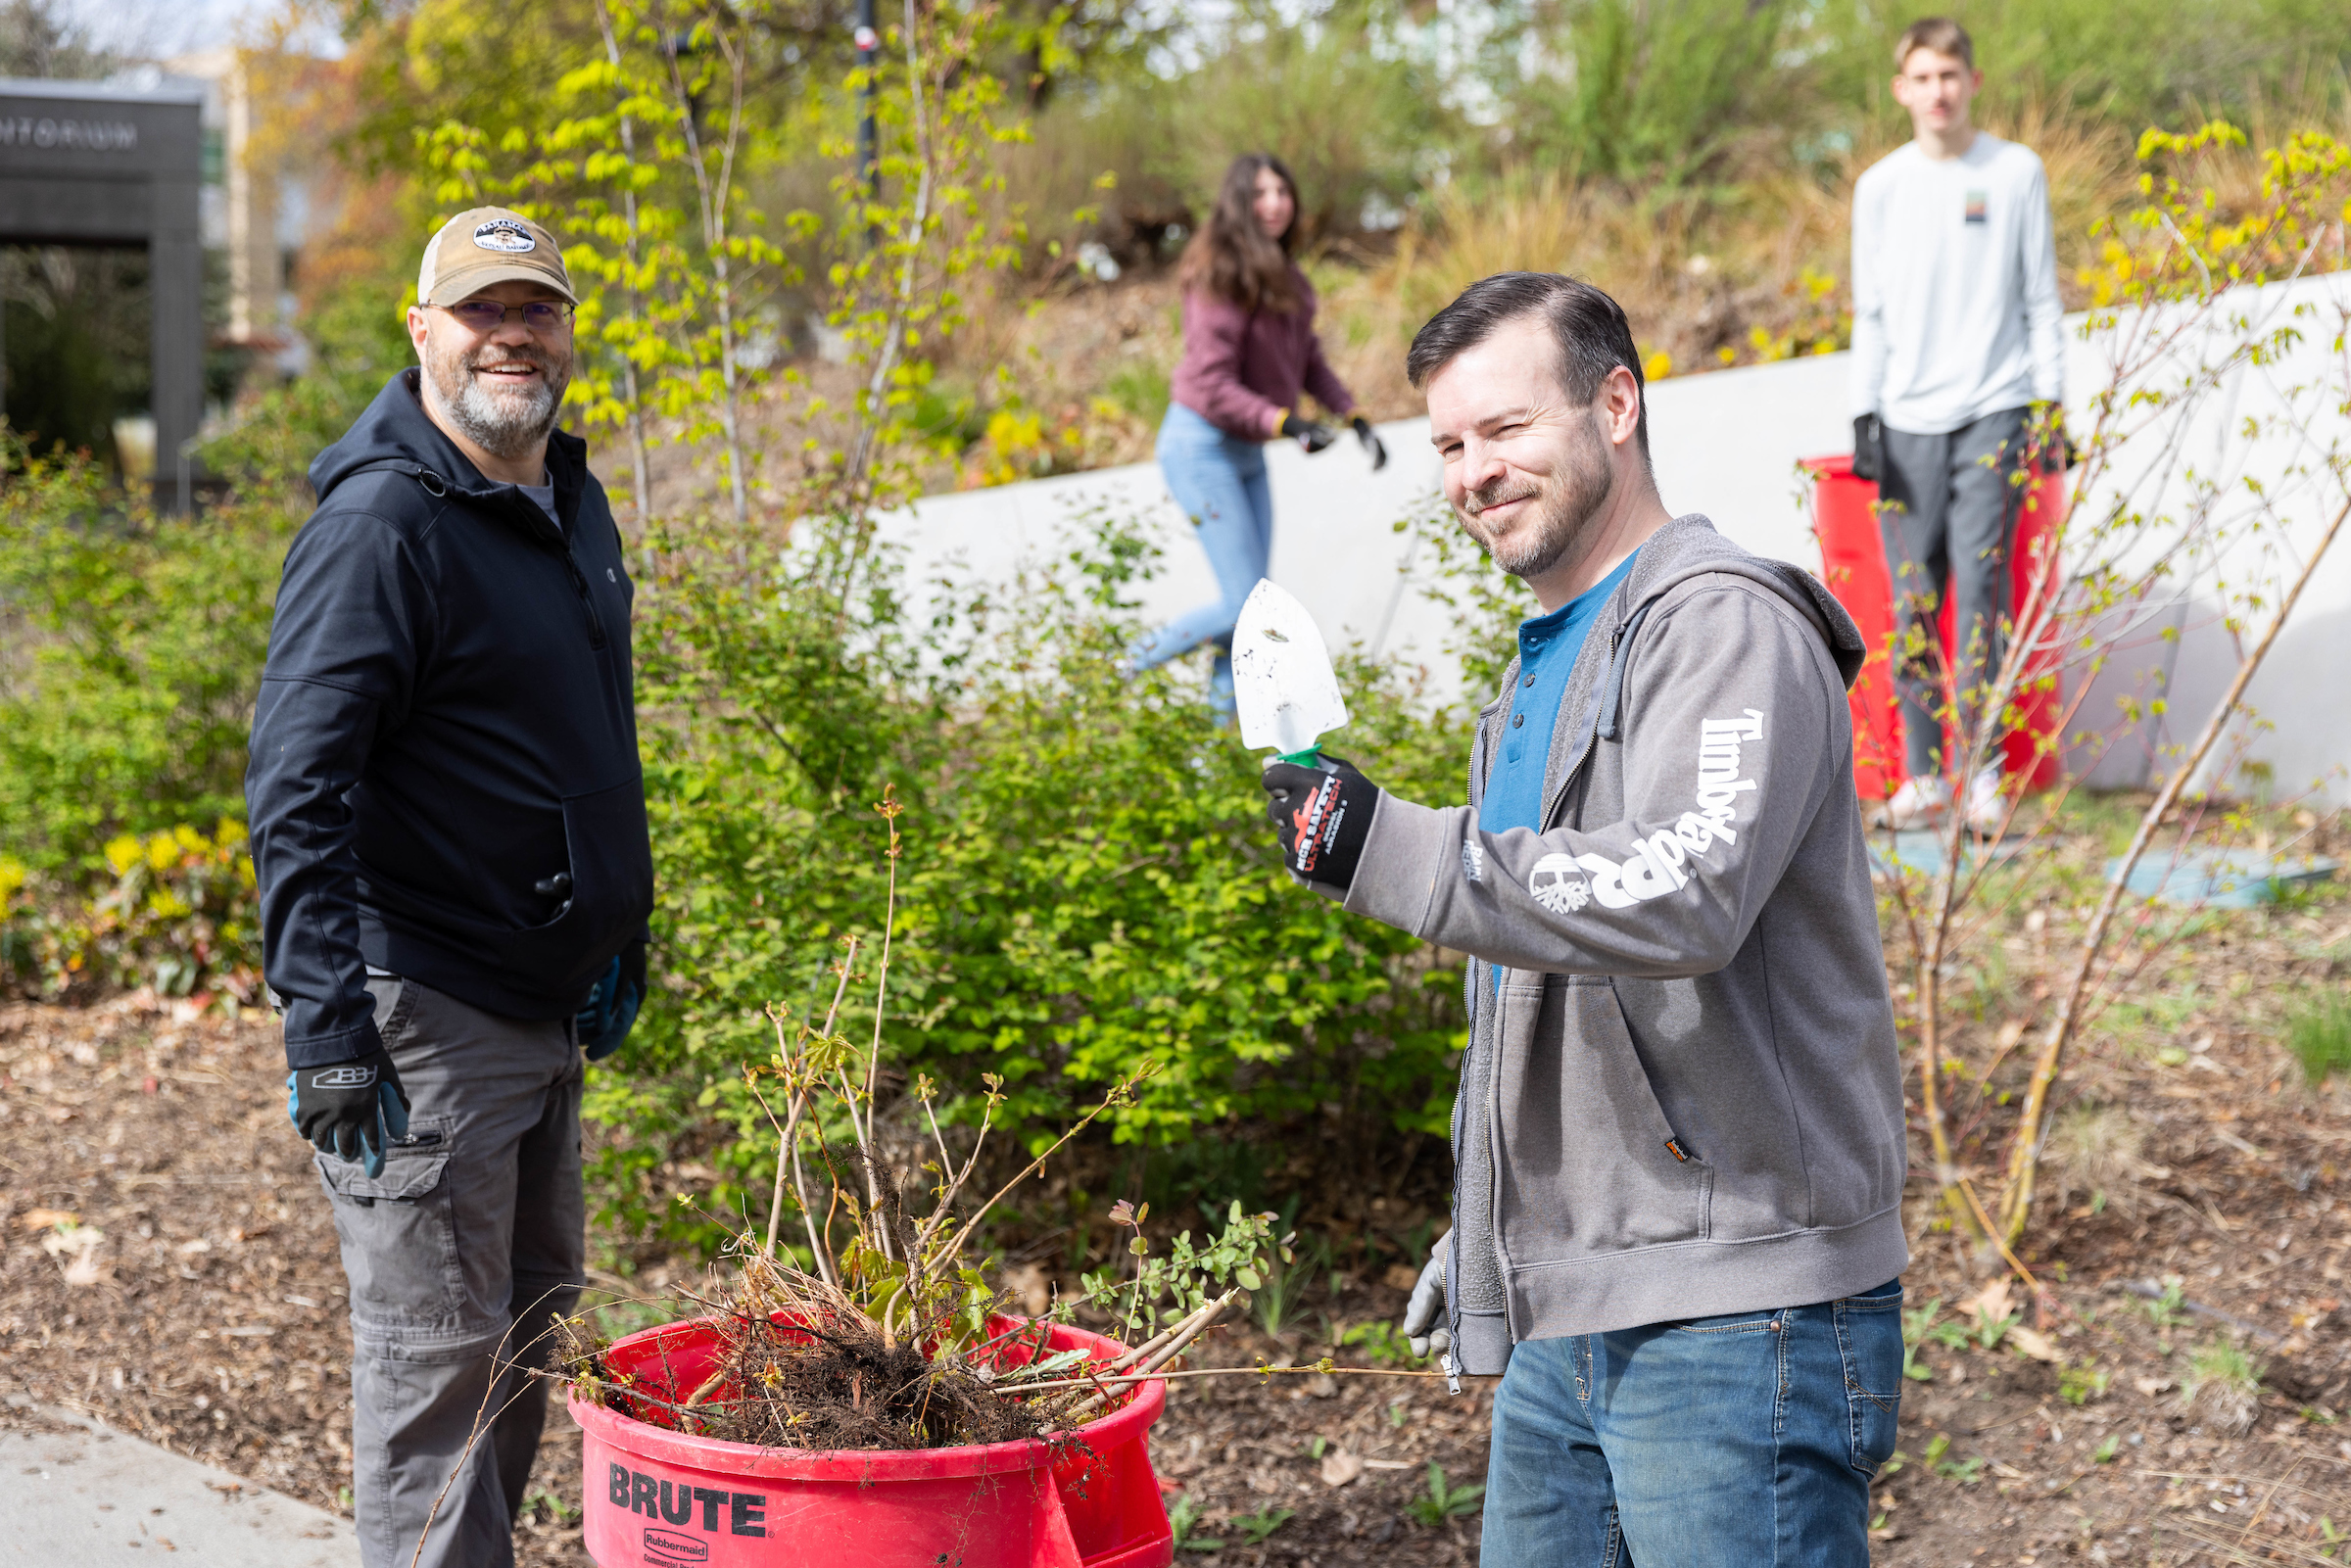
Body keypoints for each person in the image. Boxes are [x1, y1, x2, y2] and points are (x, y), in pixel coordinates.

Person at [1258, 273, 1910, 1564]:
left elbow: (1682, 890)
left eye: (1506, 429)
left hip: (1740, 1312)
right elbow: (1528, 983)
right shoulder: (1539, 670)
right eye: (1448, 445)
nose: (1473, 472)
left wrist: (1383, 844)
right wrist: (1486, 1219)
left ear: (1616, 404)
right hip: (1573, 1309)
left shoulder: (1724, 625)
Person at [246, 207, 651, 1568]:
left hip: (539, 1007)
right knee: (437, 1376)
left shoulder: (561, 501)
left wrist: (614, 923)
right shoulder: (382, 529)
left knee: (523, 1335)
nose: (512, 334)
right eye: (482, 309)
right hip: (423, 1017)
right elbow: (293, 789)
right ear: (423, 331)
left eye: (535, 307)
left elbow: (585, 732)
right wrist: (329, 1033)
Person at [1849, 15, 2065, 832]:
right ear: (1901, 89)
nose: (1938, 92)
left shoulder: (2015, 173)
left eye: (1951, 76)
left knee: (1981, 591)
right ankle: (1923, 777)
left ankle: (1982, 776)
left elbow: (2041, 299)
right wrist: (1864, 410)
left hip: (1994, 409)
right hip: (1906, 417)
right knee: (1913, 600)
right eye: (1922, 78)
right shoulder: (1881, 187)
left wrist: (2048, 406)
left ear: (1972, 82)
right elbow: (1869, 311)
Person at [1132, 152, 1385, 712]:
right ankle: (1117, 668)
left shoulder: (1287, 278)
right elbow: (1213, 385)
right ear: (1239, 204)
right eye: (1261, 193)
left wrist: (1353, 415)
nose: (1275, 203)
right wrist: (1286, 421)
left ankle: (1212, 757)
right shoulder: (1219, 276)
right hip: (1200, 446)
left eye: (1283, 191)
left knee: (1251, 608)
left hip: (1245, 451)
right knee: (1242, 603)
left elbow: (1308, 357)